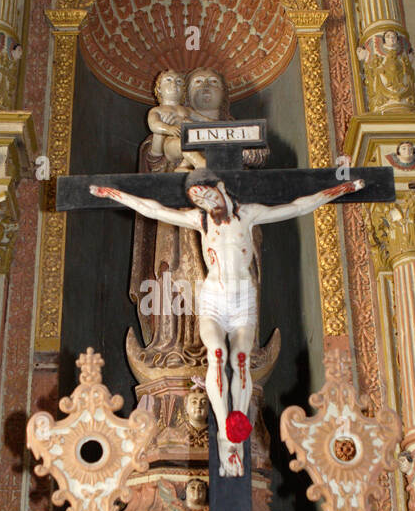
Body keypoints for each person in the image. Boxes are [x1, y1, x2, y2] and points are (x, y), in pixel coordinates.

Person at [91, 169, 364, 476]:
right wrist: (115, 194)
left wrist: (340, 189)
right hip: (213, 299)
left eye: (207, 195)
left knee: (241, 359)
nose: (206, 203)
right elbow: (153, 209)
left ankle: (238, 419)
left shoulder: (248, 215)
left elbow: (299, 206)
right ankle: (226, 434)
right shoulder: (200, 220)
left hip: (243, 299)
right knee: (217, 355)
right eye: (198, 199)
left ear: (220, 187)